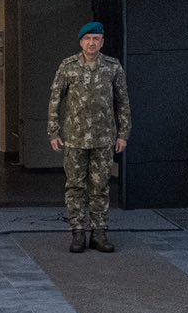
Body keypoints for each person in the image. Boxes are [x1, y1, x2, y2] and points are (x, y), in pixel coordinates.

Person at [46, 21, 130, 253]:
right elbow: (55, 99)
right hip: (75, 138)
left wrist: (123, 134)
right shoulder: (68, 66)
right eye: (87, 39)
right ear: (81, 42)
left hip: (103, 139)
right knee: (75, 186)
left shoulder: (112, 67)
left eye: (96, 39)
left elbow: (122, 102)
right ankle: (77, 232)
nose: (91, 43)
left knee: (100, 186)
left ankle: (99, 233)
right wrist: (53, 131)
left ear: (102, 42)